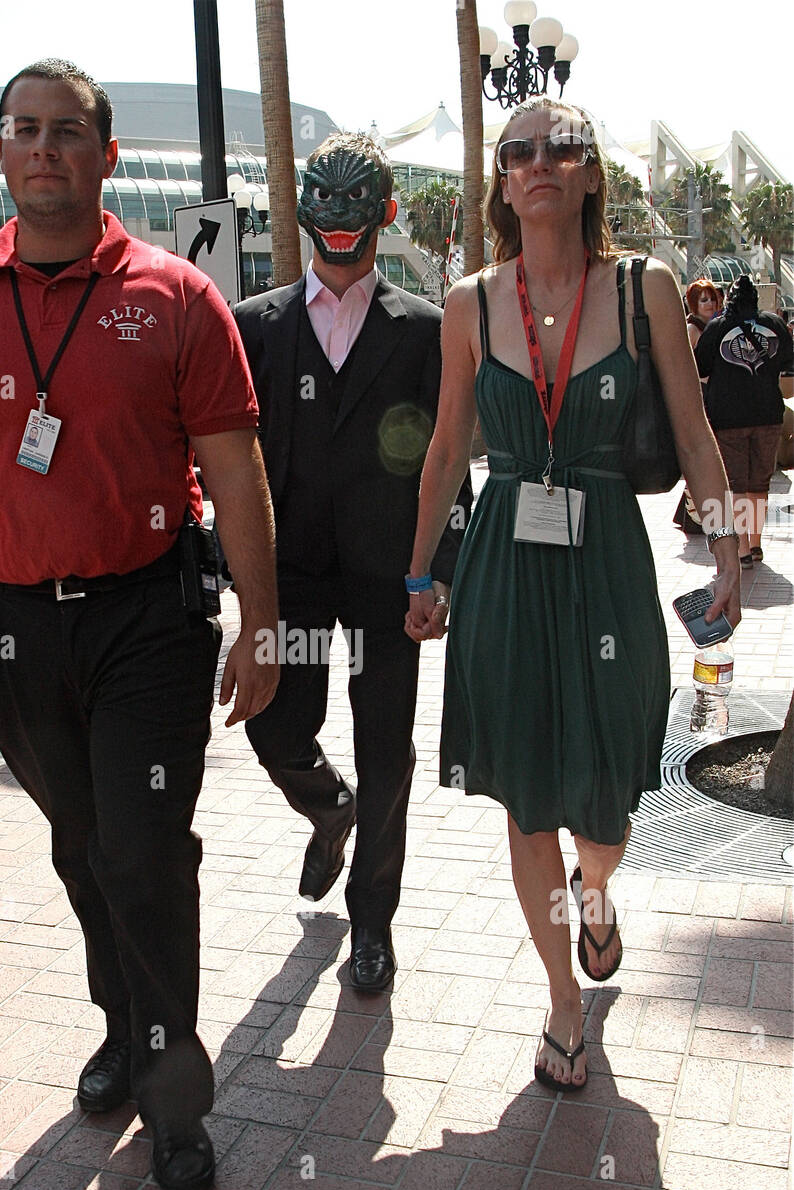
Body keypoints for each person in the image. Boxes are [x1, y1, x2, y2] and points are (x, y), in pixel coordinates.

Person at [0, 59, 278, 1190]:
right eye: (24, 130)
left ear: (106, 158)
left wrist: (261, 618)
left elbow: (234, 469)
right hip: (9, 625)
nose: (44, 148)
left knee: (144, 853)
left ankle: (170, 1086)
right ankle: (123, 1022)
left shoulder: (174, 297)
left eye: (67, 132)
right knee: (81, 847)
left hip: (148, 618)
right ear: (1, 154)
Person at [406, 98, 741, 1091]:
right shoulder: (468, 302)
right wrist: (420, 572)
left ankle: (597, 895)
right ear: (502, 180)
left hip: (606, 570)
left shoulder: (644, 289)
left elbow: (693, 438)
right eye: (519, 151)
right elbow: (441, 452)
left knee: (603, 806)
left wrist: (725, 556)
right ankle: (561, 1000)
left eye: (562, 148)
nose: (539, 162)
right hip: (502, 566)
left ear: (590, 173)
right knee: (523, 800)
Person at [234, 132, 473, 993]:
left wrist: (438, 570)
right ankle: (326, 809)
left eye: (356, 205)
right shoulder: (252, 326)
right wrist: (242, 587)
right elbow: (231, 463)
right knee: (273, 727)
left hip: (387, 579)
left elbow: (451, 460)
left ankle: (373, 924)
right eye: (323, 204)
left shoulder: (424, 328)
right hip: (290, 577)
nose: (338, 225)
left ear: (387, 213)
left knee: (389, 752)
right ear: (302, 212)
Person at [696, 274, 794, 567]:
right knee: (759, 483)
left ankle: (741, 550)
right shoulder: (775, 325)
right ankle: (756, 542)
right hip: (768, 414)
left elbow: (700, 365)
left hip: (728, 417)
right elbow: (789, 363)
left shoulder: (717, 327)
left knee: (736, 483)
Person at [674, 279, 724, 533]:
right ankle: (693, 515)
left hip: (711, 393)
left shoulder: (712, 327)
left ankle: (692, 513)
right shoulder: (693, 329)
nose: (710, 304)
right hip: (700, 394)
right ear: (693, 304)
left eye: (712, 299)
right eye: (703, 300)